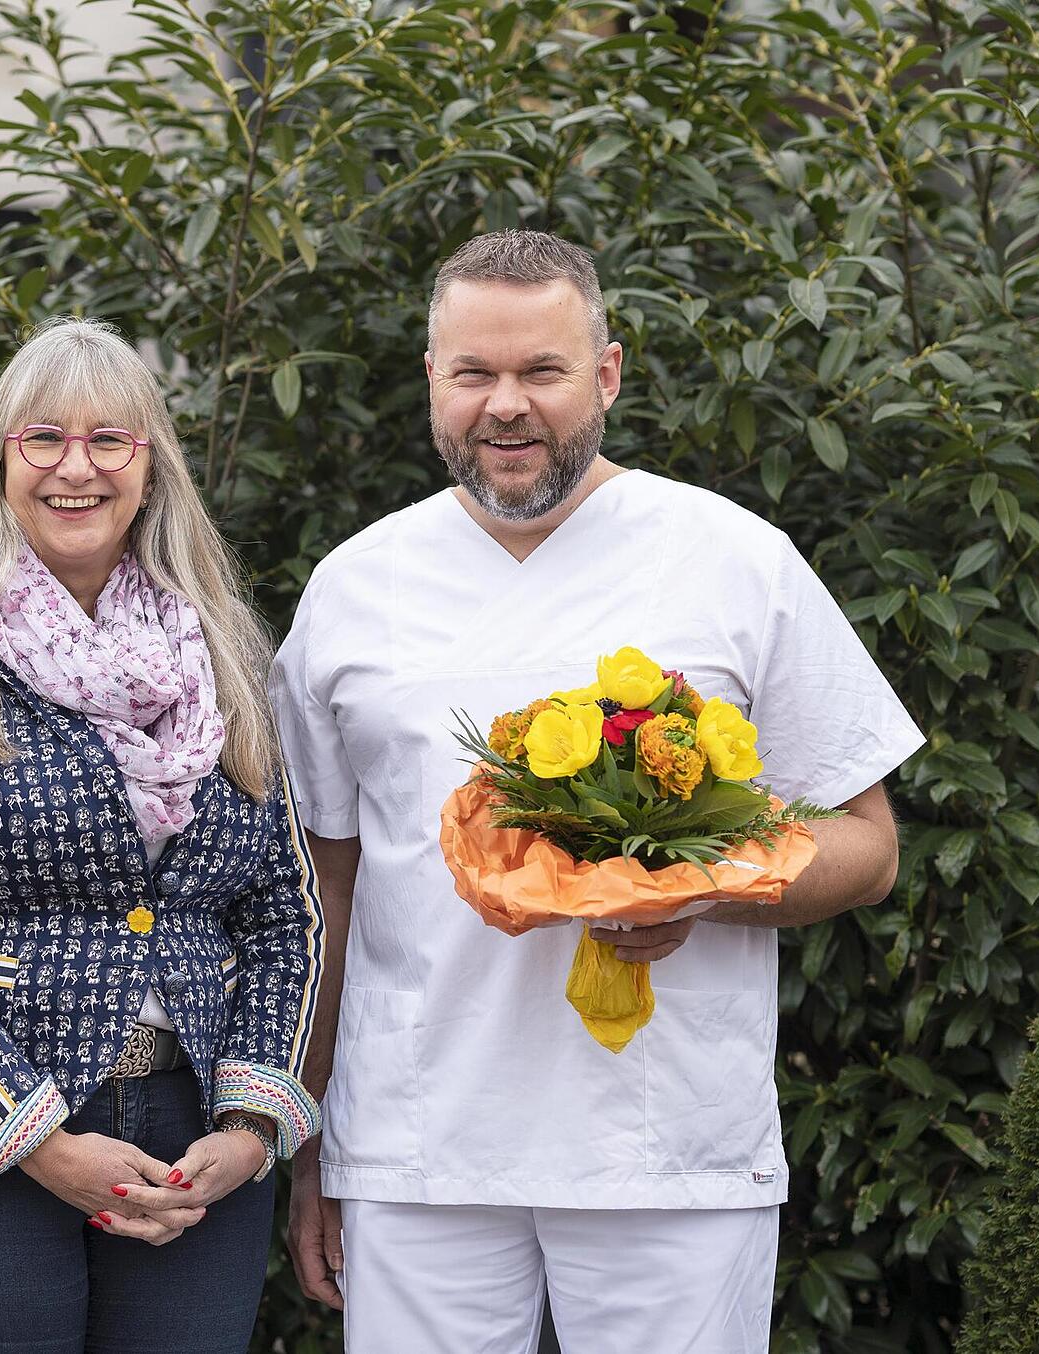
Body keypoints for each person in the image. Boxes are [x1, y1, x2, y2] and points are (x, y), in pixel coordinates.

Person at [272, 230, 923, 1353]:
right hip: (419, 1142)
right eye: (473, 373)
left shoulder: (731, 558)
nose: (504, 407)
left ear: (607, 375)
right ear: (431, 378)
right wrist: (312, 1130)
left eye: (542, 372)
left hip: (664, 1144)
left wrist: (699, 883)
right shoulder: (354, 585)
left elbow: (869, 845)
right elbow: (323, 884)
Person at [0, 317, 326, 1353]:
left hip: (189, 1152)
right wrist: (34, 1136)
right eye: (41, 439)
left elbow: (282, 908)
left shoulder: (218, 641)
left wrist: (250, 1124)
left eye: (109, 440)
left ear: (151, 467)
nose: (74, 467)